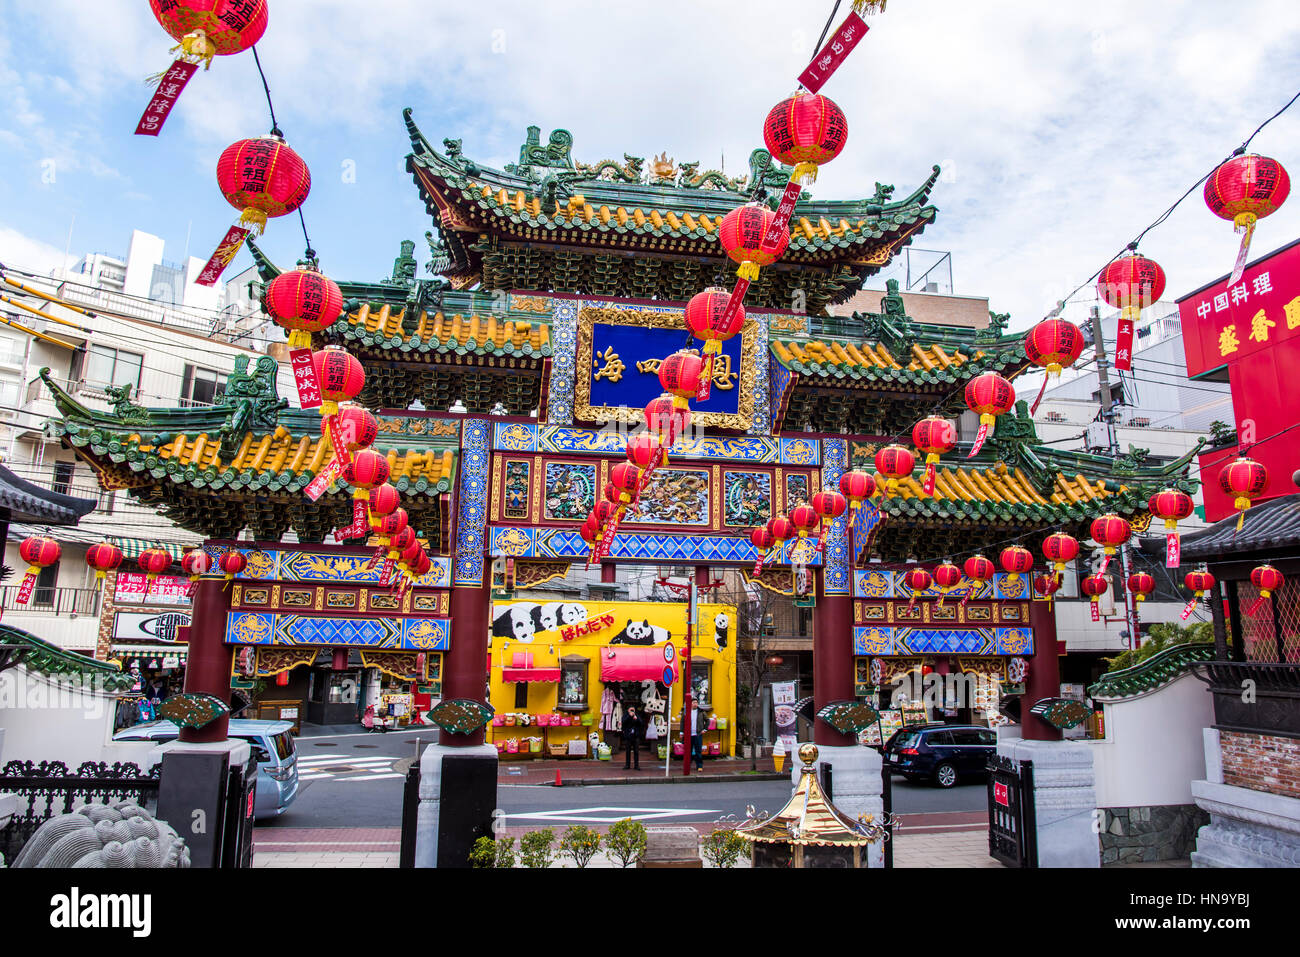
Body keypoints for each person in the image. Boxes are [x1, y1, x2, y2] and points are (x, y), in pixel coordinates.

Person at [622, 704, 644, 770]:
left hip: (636, 736)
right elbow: (623, 722)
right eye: (630, 710)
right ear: (628, 710)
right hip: (628, 736)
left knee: (636, 751)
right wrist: (629, 716)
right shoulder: (625, 715)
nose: (632, 711)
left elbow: (641, 723)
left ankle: (636, 765)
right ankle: (627, 765)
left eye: (633, 710)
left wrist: (636, 719)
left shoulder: (637, 715)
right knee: (628, 751)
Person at [689, 700, 704, 769]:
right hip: (689, 734)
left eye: (696, 703)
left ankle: (699, 766)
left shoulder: (701, 711)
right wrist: (682, 732)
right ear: (691, 704)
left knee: (698, 751)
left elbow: (708, 720)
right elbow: (683, 721)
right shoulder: (687, 711)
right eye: (694, 703)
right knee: (689, 750)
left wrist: (705, 729)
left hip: (698, 734)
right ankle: (688, 765)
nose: (695, 704)